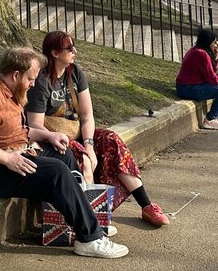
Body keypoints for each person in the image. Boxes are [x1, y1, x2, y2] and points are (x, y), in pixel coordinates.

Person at [0, 47, 129, 259]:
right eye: (30, 79)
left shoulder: (10, 90)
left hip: (15, 156)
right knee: (56, 171)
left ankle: (85, 220)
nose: (33, 84)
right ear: (16, 75)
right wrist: (8, 158)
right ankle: (90, 238)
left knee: (63, 153)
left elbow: (16, 132)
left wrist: (48, 136)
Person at [25, 32, 169, 228]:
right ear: (55, 53)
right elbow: (34, 124)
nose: (74, 51)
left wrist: (89, 145)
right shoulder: (41, 81)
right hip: (52, 137)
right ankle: (91, 216)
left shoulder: (74, 73)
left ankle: (147, 205)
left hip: (75, 131)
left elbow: (86, 116)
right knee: (81, 158)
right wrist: (80, 149)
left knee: (111, 139)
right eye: (69, 48)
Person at [176, 29, 218, 130]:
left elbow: (210, 73)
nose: (216, 45)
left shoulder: (196, 50)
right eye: (214, 42)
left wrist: (215, 57)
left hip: (188, 86)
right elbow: (213, 80)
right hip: (188, 88)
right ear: (208, 43)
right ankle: (211, 119)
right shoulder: (201, 54)